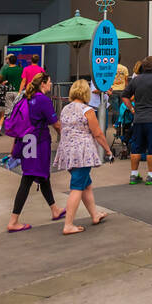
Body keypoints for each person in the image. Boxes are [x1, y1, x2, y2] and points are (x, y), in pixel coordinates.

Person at [6, 72, 64, 232]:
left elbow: (20, 124)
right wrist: (65, 139)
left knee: (43, 175)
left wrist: (14, 147)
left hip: (26, 141)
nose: (51, 85)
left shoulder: (26, 97)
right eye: (50, 81)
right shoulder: (43, 100)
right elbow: (56, 124)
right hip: (38, 143)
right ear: (43, 83)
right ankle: (13, 221)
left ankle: (55, 209)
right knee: (28, 178)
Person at [53, 79, 111, 235]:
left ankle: (95, 215)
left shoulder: (65, 109)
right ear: (86, 93)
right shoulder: (87, 110)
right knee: (77, 187)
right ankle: (68, 224)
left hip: (67, 152)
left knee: (85, 184)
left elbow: (61, 128)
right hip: (82, 152)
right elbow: (98, 133)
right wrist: (107, 150)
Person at [123, 58, 152, 185]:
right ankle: (151, 175)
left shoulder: (136, 80)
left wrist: (132, 108)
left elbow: (124, 95)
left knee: (136, 148)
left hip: (138, 119)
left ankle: (133, 175)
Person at [104, 62, 129, 161]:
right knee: (122, 109)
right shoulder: (124, 68)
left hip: (113, 90)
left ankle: (116, 126)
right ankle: (121, 125)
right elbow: (126, 82)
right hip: (122, 90)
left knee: (115, 110)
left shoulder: (111, 68)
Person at [0, 53, 23, 118]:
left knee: (8, 110)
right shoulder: (20, 69)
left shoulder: (6, 70)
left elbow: (2, 81)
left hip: (9, 91)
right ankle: (16, 123)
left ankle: (9, 124)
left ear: (9, 60)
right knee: (17, 109)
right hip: (18, 91)